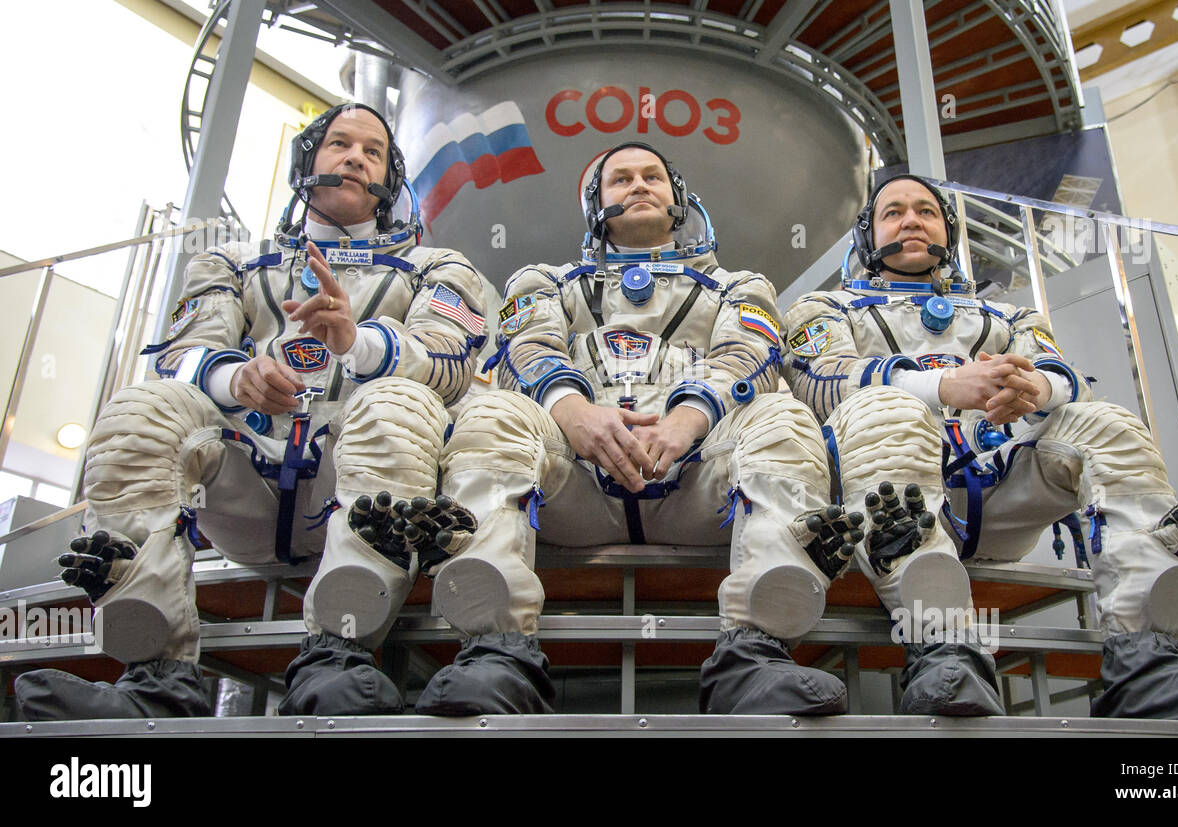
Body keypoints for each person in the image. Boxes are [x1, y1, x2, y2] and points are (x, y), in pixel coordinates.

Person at [14, 103, 486, 720]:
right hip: (243, 491)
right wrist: (234, 378)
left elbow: (449, 363)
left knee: (399, 402)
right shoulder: (232, 262)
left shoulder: (436, 268)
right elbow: (179, 357)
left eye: (372, 151)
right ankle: (155, 676)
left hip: (360, 488)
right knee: (144, 407)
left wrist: (359, 344)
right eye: (340, 144)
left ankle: (338, 657)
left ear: (389, 179)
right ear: (307, 161)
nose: (355, 158)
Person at [782, 173, 1178, 721]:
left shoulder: (1008, 317)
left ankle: (1147, 662)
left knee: (1104, 423)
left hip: (998, 496)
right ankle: (944, 652)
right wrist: (946, 385)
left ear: (948, 230)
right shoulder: (825, 309)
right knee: (887, 409)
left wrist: (1034, 388)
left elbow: (1067, 378)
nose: (911, 220)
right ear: (868, 235)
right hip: (888, 506)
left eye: (926, 210)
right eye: (893, 212)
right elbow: (819, 381)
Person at [411, 142, 866, 715]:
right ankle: (495, 652)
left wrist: (685, 420)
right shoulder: (544, 281)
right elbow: (527, 349)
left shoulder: (739, 287)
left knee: (783, 416)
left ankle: (755, 654)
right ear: (595, 204)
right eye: (620, 179)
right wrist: (576, 414)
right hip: (574, 487)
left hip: (697, 487)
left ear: (679, 198)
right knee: (493, 413)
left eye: (652, 176)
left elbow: (746, 357)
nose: (639, 185)